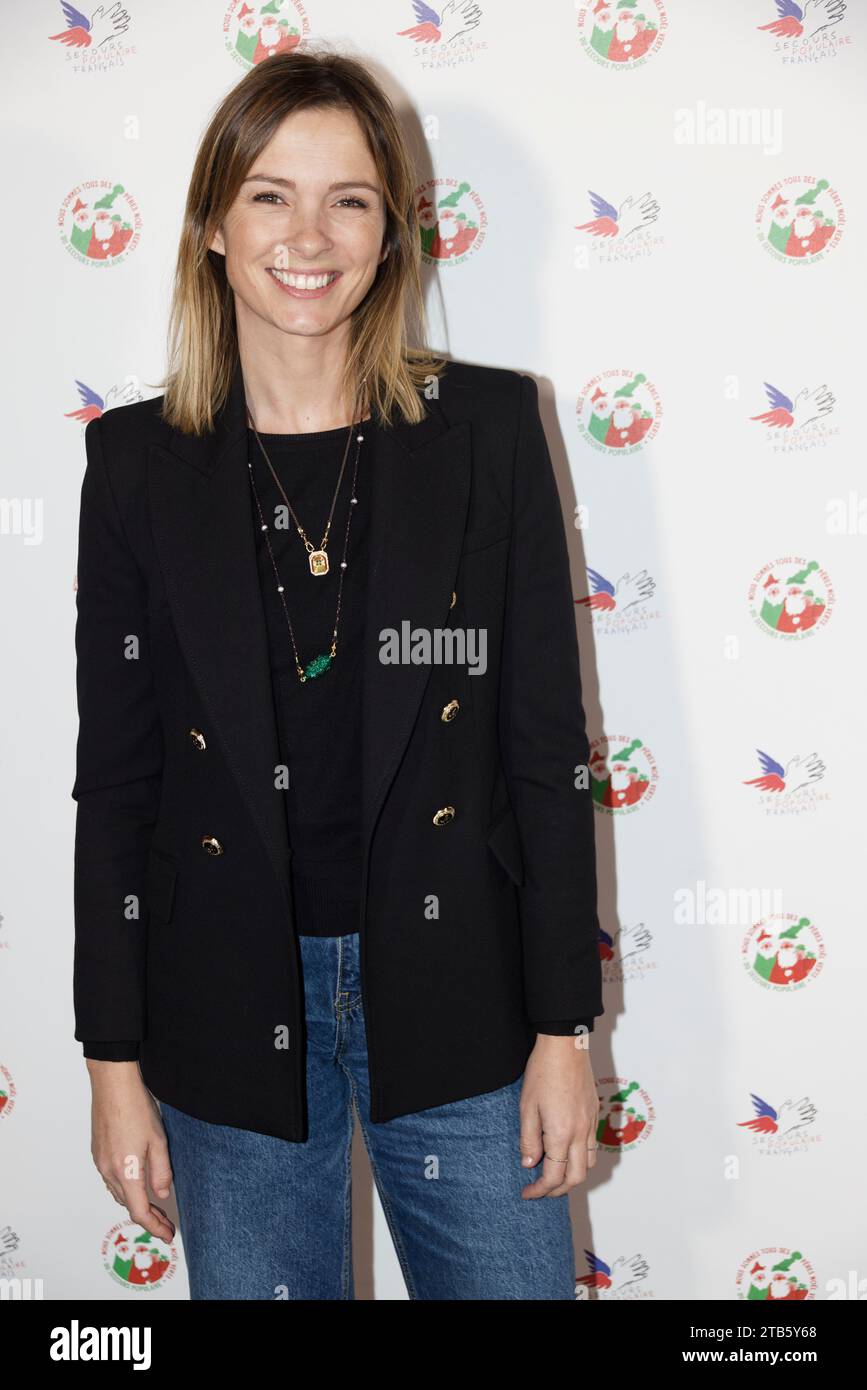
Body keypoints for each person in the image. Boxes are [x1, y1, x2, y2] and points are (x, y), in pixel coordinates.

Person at [72, 47, 604, 1301]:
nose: (308, 235)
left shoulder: (485, 432)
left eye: (349, 198)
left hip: (461, 996)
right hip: (225, 1001)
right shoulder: (138, 464)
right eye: (269, 194)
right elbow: (120, 783)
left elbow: (542, 748)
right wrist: (111, 1064)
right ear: (213, 224)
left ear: (391, 232)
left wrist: (564, 1030)